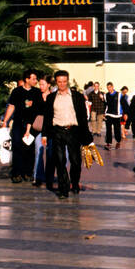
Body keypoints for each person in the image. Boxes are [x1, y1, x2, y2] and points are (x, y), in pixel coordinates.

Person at [43, 70, 91, 199]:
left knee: (75, 161)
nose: (62, 84)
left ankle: (74, 183)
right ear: (56, 82)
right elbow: (47, 117)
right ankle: (63, 189)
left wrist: (87, 137)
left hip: (73, 131)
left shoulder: (77, 96)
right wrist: (44, 134)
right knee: (59, 161)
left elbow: (82, 117)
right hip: (57, 131)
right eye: (59, 82)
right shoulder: (51, 97)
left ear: (67, 81)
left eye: (64, 81)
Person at [1, 69, 41, 183]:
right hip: (18, 123)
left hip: (31, 125)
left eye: (36, 79)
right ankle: (16, 173)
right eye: (33, 78)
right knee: (17, 147)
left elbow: (38, 109)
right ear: (27, 79)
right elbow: (11, 106)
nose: (35, 81)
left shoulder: (36, 92)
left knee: (29, 148)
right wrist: (5, 121)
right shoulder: (17, 91)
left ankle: (28, 173)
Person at [103, 82, 124, 150]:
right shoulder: (106, 95)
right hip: (108, 114)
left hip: (117, 115)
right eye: (108, 88)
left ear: (112, 87)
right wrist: (104, 113)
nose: (109, 89)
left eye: (110, 87)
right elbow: (105, 105)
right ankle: (108, 143)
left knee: (117, 130)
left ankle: (118, 141)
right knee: (108, 129)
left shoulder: (119, 94)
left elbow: (124, 104)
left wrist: (125, 113)